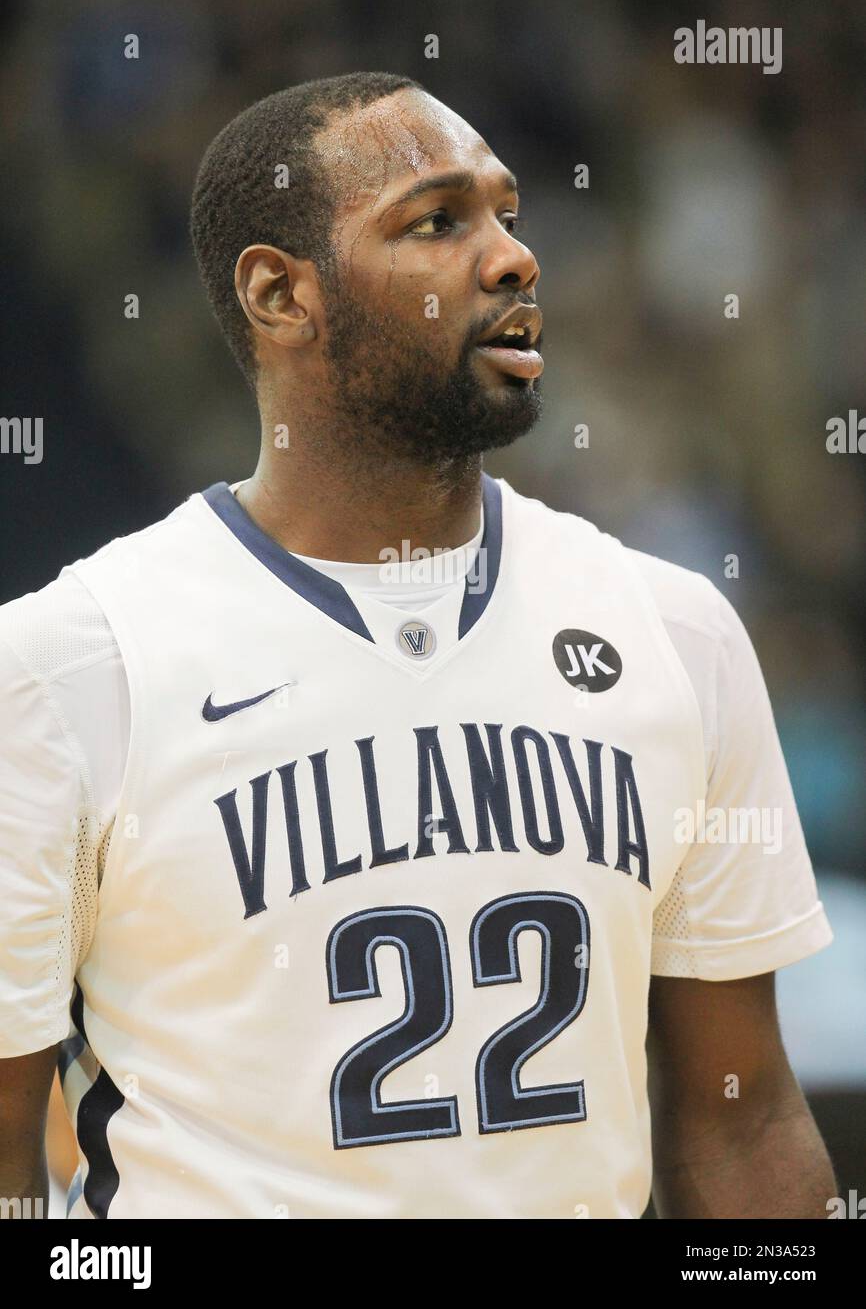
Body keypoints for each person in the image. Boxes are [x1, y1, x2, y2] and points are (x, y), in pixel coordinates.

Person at [0, 72, 835, 1219]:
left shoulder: (672, 629)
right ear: (279, 294)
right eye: (436, 221)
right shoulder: (68, 665)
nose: (509, 258)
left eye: (507, 215)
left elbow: (740, 1117)